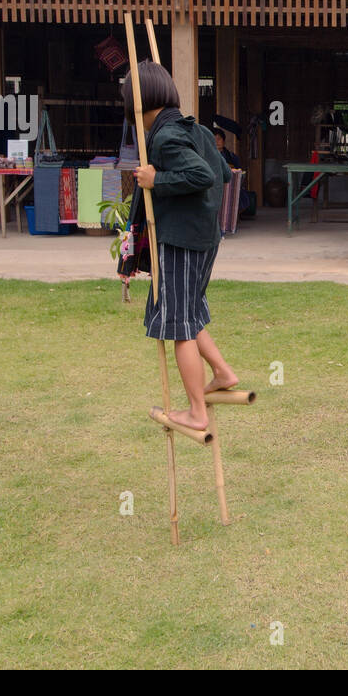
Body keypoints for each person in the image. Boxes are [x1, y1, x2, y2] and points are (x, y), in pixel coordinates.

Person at [126, 60, 238, 431]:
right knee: (188, 311)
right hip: (205, 239)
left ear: (140, 104)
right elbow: (222, 173)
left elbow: (203, 175)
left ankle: (196, 412)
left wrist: (158, 179)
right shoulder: (198, 129)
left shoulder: (165, 137)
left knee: (179, 327)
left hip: (182, 242)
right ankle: (221, 372)